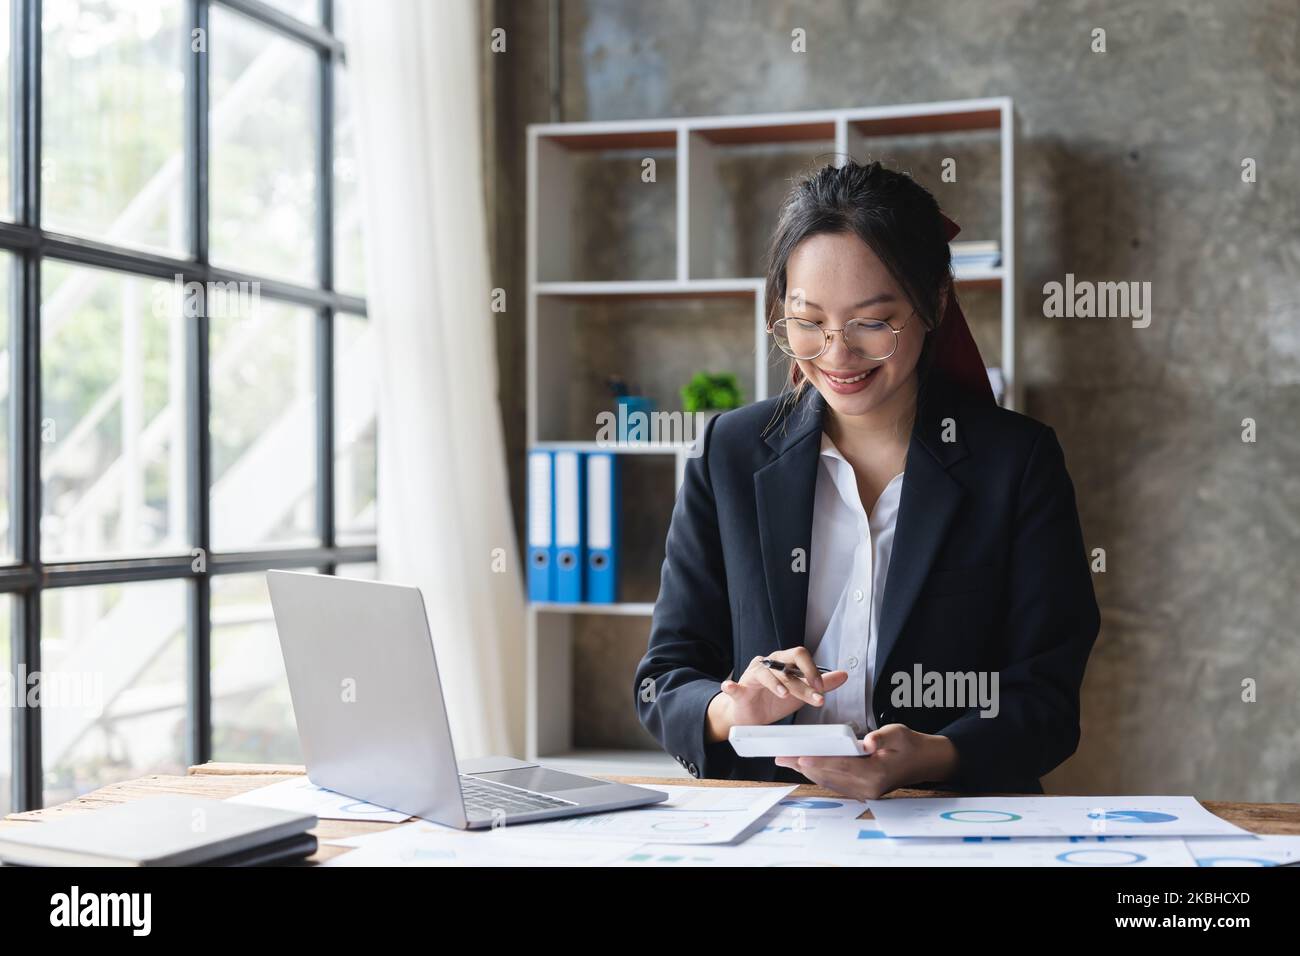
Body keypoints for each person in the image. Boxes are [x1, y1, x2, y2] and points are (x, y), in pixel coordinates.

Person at [633, 159, 1100, 797]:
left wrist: (932, 755)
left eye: (872, 322)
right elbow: (665, 676)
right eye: (807, 321)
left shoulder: (1016, 464)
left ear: (934, 303)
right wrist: (730, 708)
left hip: (953, 825)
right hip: (774, 820)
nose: (836, 353)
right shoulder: (730, 453)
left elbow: (1046, 701)